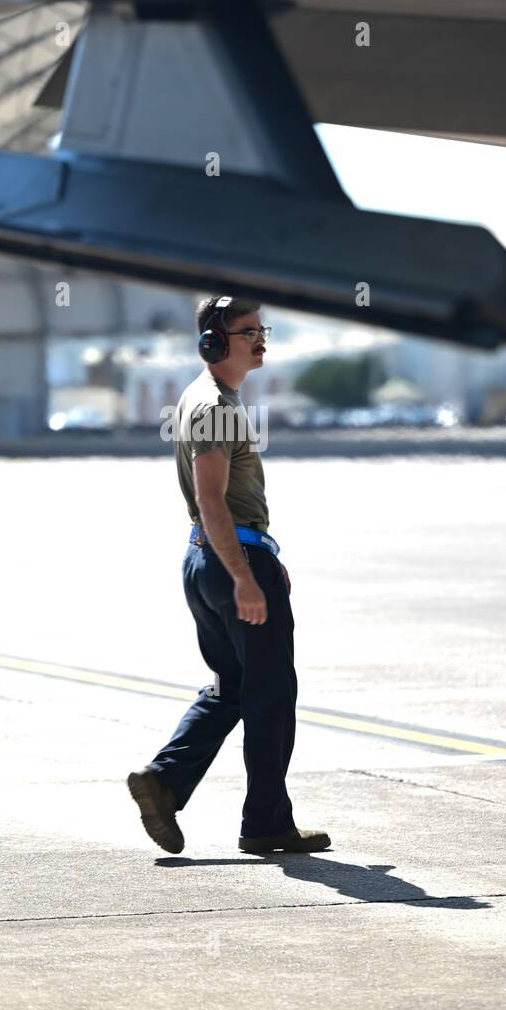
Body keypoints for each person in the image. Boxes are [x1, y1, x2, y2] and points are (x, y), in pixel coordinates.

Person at [127, 295, 331, 856]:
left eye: (262, 329)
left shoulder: (202, 397)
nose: (260, 339)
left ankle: (164, 781)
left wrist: (262, 554)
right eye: (247, 332)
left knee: (232, 688)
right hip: (227, 559)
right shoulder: (215, 405)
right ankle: (266, 822)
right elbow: (212, 500)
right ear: (214, 342)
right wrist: (246, 576)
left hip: (209, 558)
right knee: (271, 694)